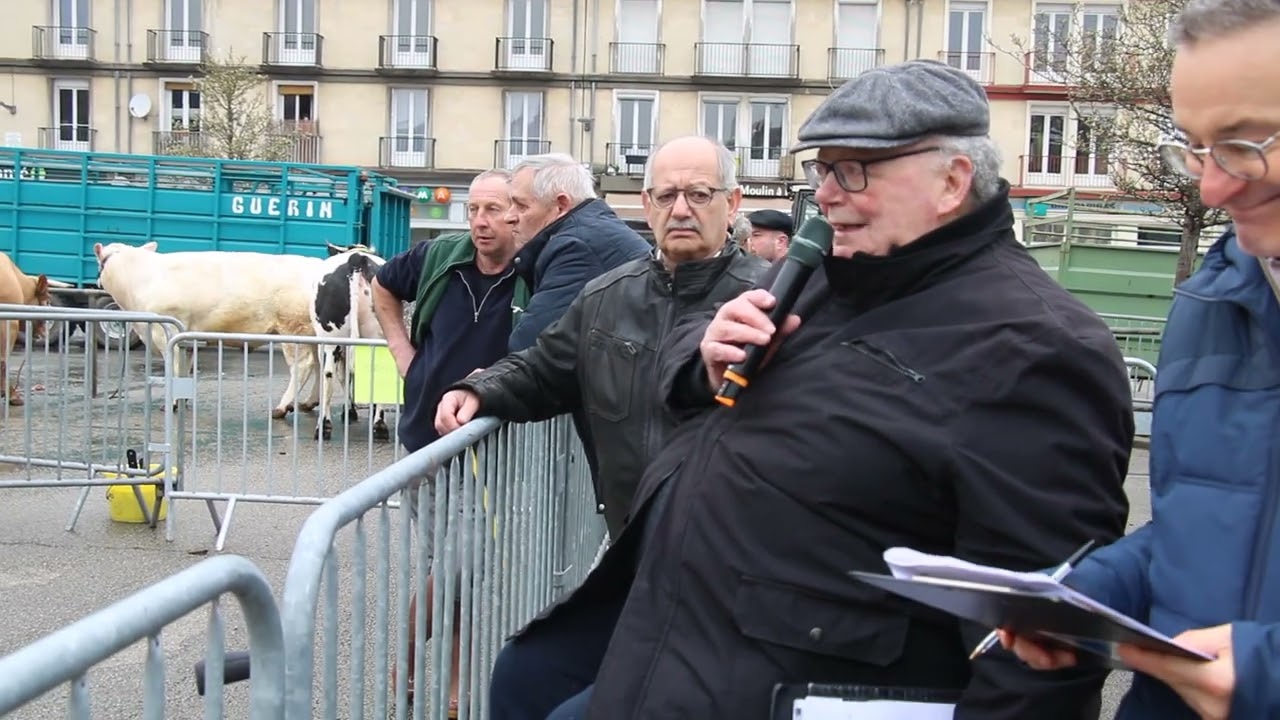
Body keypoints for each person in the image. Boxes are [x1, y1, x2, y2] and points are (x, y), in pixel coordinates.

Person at [483, 59, 1135, 720]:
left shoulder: (1039, 348)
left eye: (853, 171)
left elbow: (1039, 649)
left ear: (951, 181)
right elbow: (696, 337)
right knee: (530, 681)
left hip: (796, 679)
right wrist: (704, 362)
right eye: (822, 170)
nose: (825, 196)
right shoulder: (832, 273)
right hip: (684, 630)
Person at [998, 3, 1280, 719]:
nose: (1212, 187)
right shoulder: (1218, 296)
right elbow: (1206, 522)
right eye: (1195, 147)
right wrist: (1091, 597)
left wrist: (1267, 672)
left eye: (1247, 144)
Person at [435, 135, 769, 540]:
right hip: (631, 543)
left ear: (731, 203)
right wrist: (477, 390)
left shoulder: (771, 300)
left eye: (699, 194)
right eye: (666, 196)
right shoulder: (605, 296)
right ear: (647, 206)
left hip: (736, 551)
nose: (680, 210)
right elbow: (542, 367)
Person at [370, 168, 525, 714]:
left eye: (493, 210)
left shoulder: (534, 268)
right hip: (426, 444)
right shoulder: (441, 257)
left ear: (517, 213)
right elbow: (383, 286)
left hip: (492, 448)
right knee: (455, 562)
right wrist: (402, 355)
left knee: (459, 564)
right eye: (473, 210)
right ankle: (432, 673)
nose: (480, 222)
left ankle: (432, 672)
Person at [503, 153, 651, 351]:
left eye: (521, 206)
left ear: (561, 205)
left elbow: (533, 347)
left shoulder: (576, 247)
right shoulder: (593, 231)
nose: (509, 217)